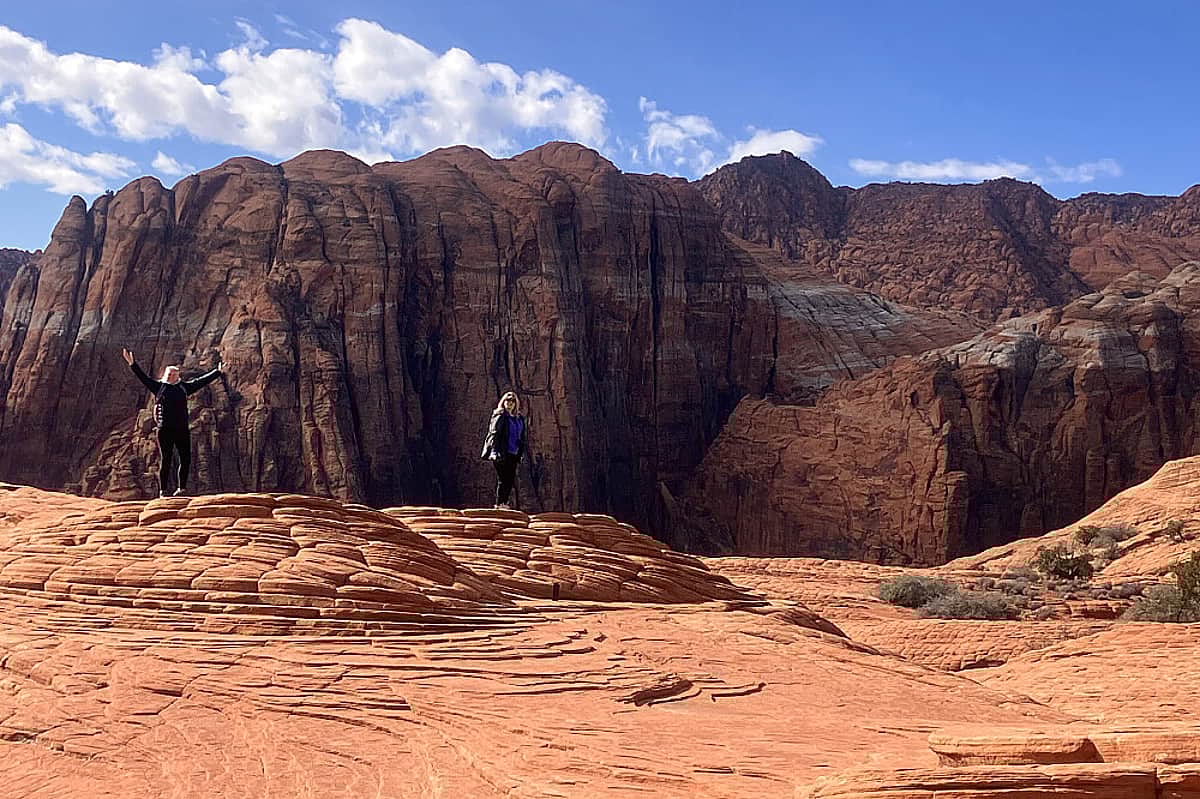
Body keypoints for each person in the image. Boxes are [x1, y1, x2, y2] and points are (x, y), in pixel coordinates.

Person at [122, 348, 224, 498]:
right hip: (165, 430)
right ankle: (163, 491)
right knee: (166, 459)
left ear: (178, 376)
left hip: (182, 429)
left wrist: (217, 372)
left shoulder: (184, 387)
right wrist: (133, 364)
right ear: (165, 375)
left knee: (185, 459)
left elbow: (202, 381)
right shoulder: (159, 387)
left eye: (174, 374)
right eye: (169, 374)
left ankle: (181, 488)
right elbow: (143, 378)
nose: (171, 376)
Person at [480, 391, 527, 509]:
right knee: (503, 479)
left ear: (516, 403)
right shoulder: (500, 415)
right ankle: (499, 504)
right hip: (501, 452)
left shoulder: (519, 418)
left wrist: (520, 451)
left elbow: (522, 436)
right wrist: (494, 451)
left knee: (510, 479)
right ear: (503, 402)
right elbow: (494, 433)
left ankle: (503, 503)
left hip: (513, 453)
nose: (510, 403)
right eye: (507, 400)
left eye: (512, 401)